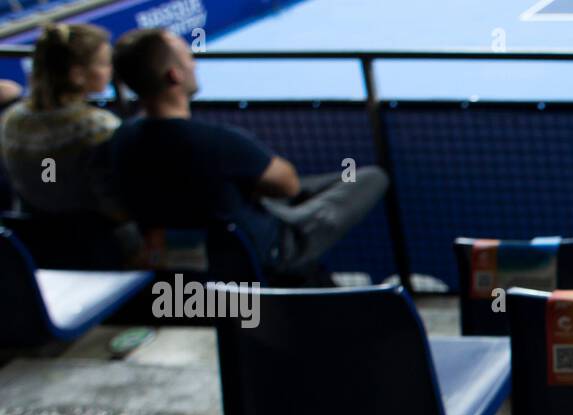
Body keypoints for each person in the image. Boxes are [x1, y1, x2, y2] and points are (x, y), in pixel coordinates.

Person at [109, 28, 388, 283]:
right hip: (267, 251)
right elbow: (287, 184)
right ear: (175, 75)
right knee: (368, 178)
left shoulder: (121, 140)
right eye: (188, 58)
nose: (194, 63)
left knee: (292, 189)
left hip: (186, 264)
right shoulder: (217, 142)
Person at [0, 24, 121, 220]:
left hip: (37, 234)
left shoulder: (11, 119)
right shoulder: (97, 127)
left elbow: (47, 177)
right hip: (91, 236)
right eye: (104, 63)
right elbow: (114, 202)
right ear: (77, 75)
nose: (110, 69)